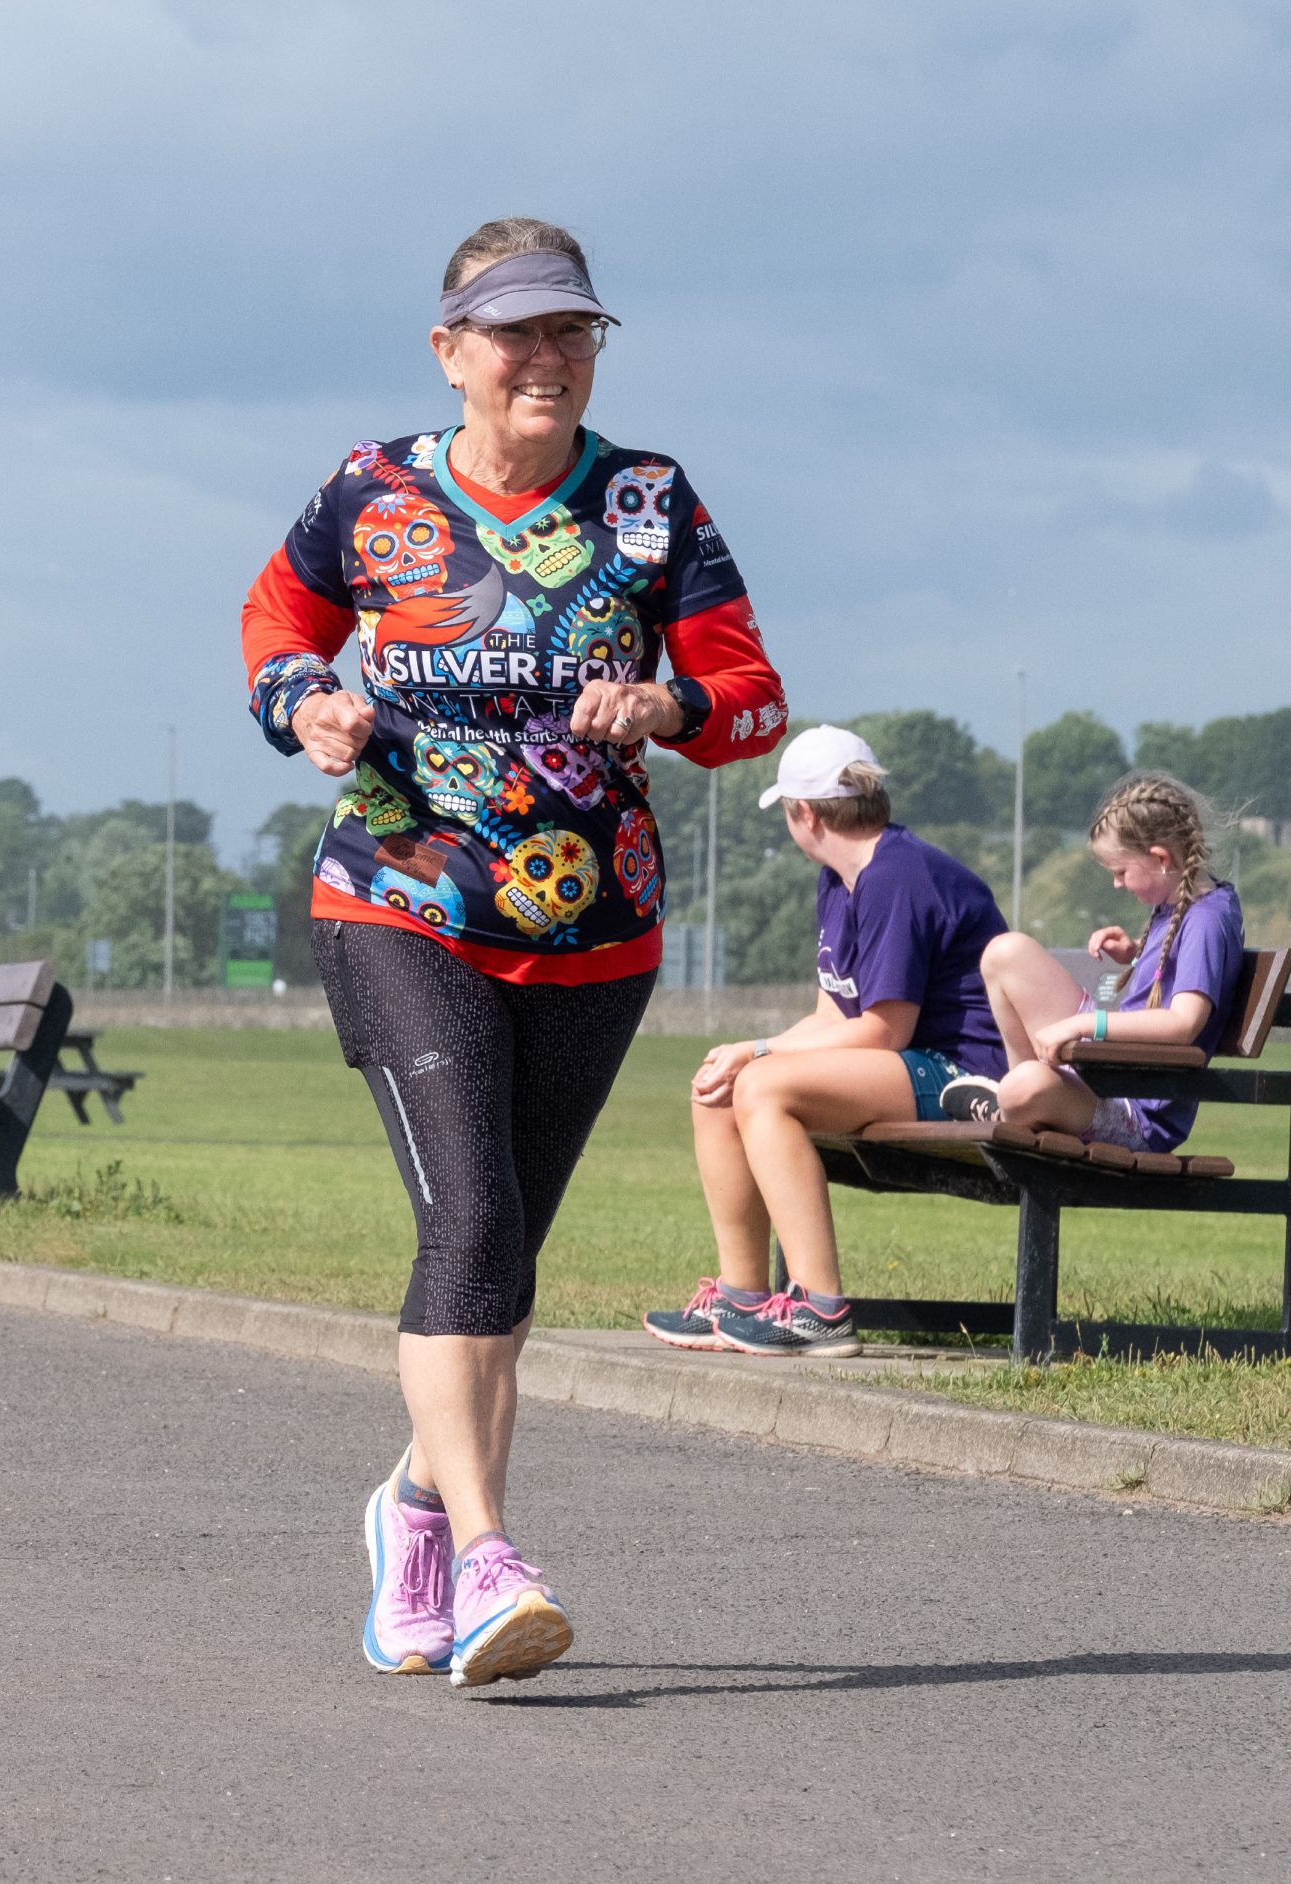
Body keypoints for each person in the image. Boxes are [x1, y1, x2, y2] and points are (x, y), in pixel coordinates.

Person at [240, 217, 786, 1687]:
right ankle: (488, 1556)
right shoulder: (374, 491)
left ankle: (410, 1511)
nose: (546, 359)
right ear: (452, 352)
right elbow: (279, 622)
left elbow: (751, 695)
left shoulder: (652, 502)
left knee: (499, 1260)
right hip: (400, 902)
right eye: (517, 334)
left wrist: (670, 708)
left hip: (595, 932)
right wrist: (307, 705)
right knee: (471, 1222)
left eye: (573, 333)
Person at [643, 724, 1008, 1358]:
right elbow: (832, 1016)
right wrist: (748, 1049)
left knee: (763, 1086)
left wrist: (761, 1056)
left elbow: (882, 1030)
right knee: (720, 1086)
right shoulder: (841, 878)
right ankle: (743, 1294)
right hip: (908, 1061)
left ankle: (821, 1307)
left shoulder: (898, 875)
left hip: (964, 1076)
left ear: (804, 813)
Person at [939, 771, 1244, 1150]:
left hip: (1134, 1110)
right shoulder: (1180, 907)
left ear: (1160, 858)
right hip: (1106, 1074)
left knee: (1022, 1088)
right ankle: (1023, 1099)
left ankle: (1012, 1107)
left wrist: (1084, 1024)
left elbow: (1183, 1023)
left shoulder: (1206, 918)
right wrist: (1134, 951)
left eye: (1121, 871)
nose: (1117, 884)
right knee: (1005, 953)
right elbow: (1181, 970)